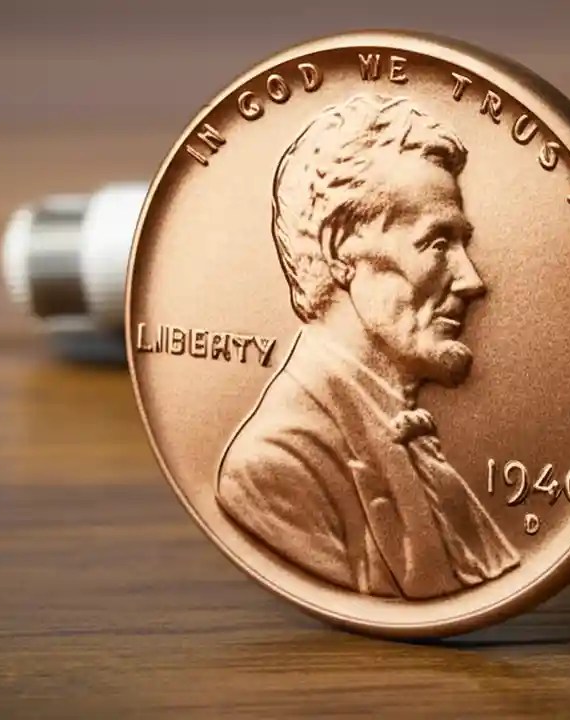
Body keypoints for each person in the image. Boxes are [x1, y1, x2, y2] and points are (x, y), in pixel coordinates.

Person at [215, 94, 520, 599]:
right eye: (438, 244)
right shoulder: (276, 465)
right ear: (341, 251)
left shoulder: (411, 438)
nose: (472, 280)